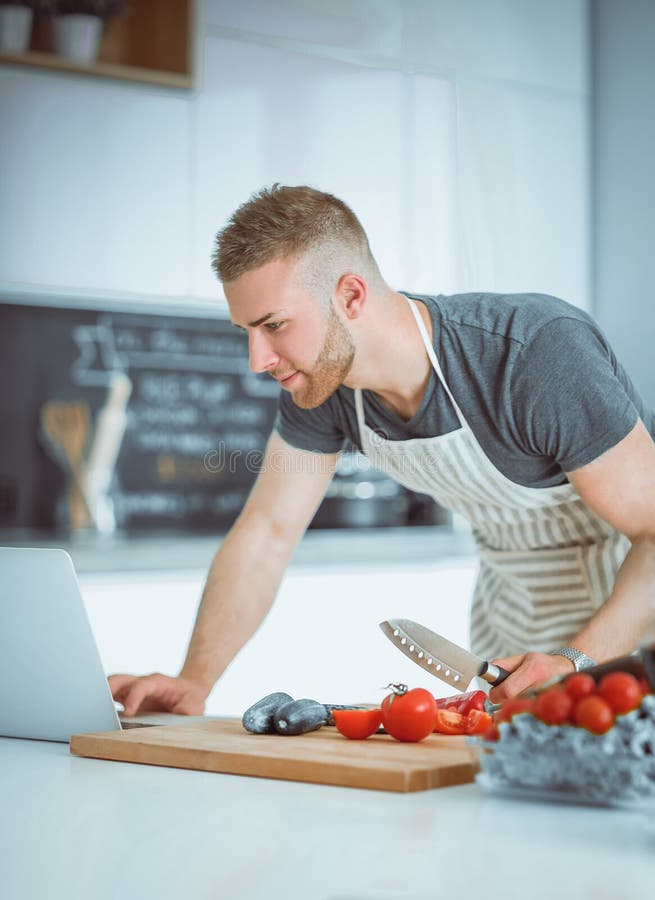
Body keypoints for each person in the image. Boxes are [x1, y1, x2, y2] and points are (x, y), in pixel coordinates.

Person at [109, 184, 655, 716]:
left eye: (273, 325)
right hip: (510, 627)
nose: (258, 359)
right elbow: (267, 532)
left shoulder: (533, 354)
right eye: (246, 331)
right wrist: (194, 679)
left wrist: (577, 658)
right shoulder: (322, 387)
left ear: (351, 296)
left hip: (630, 629)